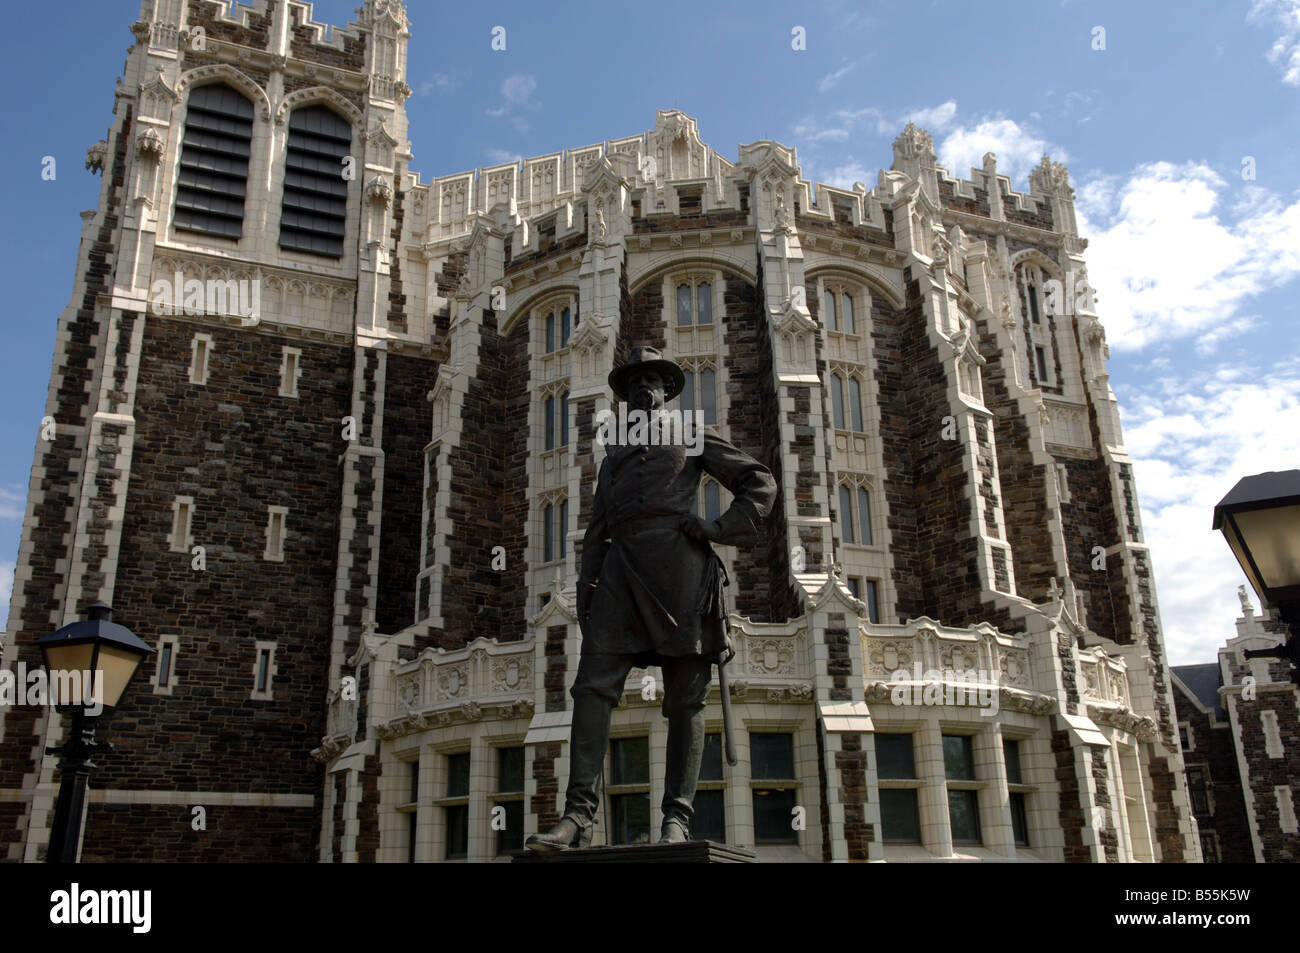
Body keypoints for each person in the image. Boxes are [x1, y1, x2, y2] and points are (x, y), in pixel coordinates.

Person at [526, 346, 776, 850]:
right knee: (592, 688)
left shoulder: (690, 433)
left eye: (655, 380)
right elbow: (597, 531)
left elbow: (759, 482)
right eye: (635, 382)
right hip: (619, 573)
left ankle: (676, 819)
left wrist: (717, 528)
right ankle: (577, 816)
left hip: (681, 570)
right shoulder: (613, 458)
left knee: (685, 698)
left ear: (666, 390)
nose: (644, 388)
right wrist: (589, 591)